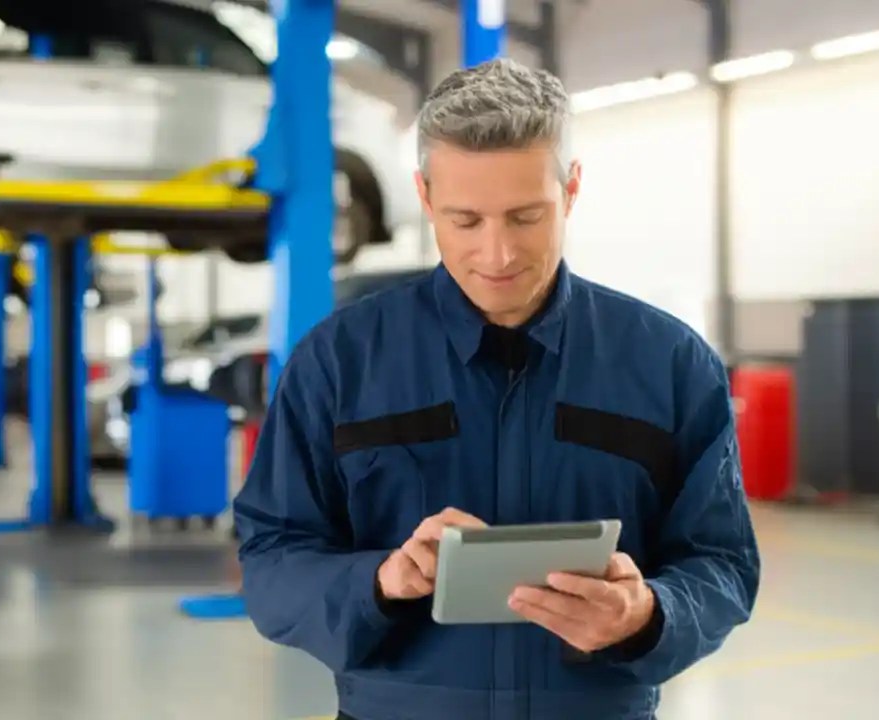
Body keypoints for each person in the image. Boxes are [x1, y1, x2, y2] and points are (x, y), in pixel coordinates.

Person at [233, 58, 760, 720]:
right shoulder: (340, 363)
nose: (498, 254)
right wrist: (380, 580)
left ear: (571, 190)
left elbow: (721, 563)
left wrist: (651, 613)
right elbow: (274, 559)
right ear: (425, 199)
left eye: (525, 216)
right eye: (465, 220)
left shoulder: (670, 363)